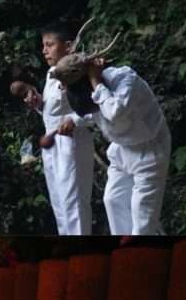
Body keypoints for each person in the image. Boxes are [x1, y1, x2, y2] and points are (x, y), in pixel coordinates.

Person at [63, 58, 170, 235]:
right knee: (113, 200)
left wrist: (95, 81)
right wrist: (73, 120)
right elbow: (96, 113)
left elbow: (114, 111)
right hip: (121, 149)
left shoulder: (124, 79)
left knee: (141, 210)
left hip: (149, 149)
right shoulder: (95, 95)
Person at [21, 23, 95, 235]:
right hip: (51, 145)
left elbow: (97, 111)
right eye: (43, 45)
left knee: (74, 204)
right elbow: (52, 113)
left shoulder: (81, 74)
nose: (44, 50)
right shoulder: (52, 73)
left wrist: (74, 120)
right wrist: (39, 105)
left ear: (69, 46)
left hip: (72, 143)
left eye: (50, 45)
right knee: (60, 205)